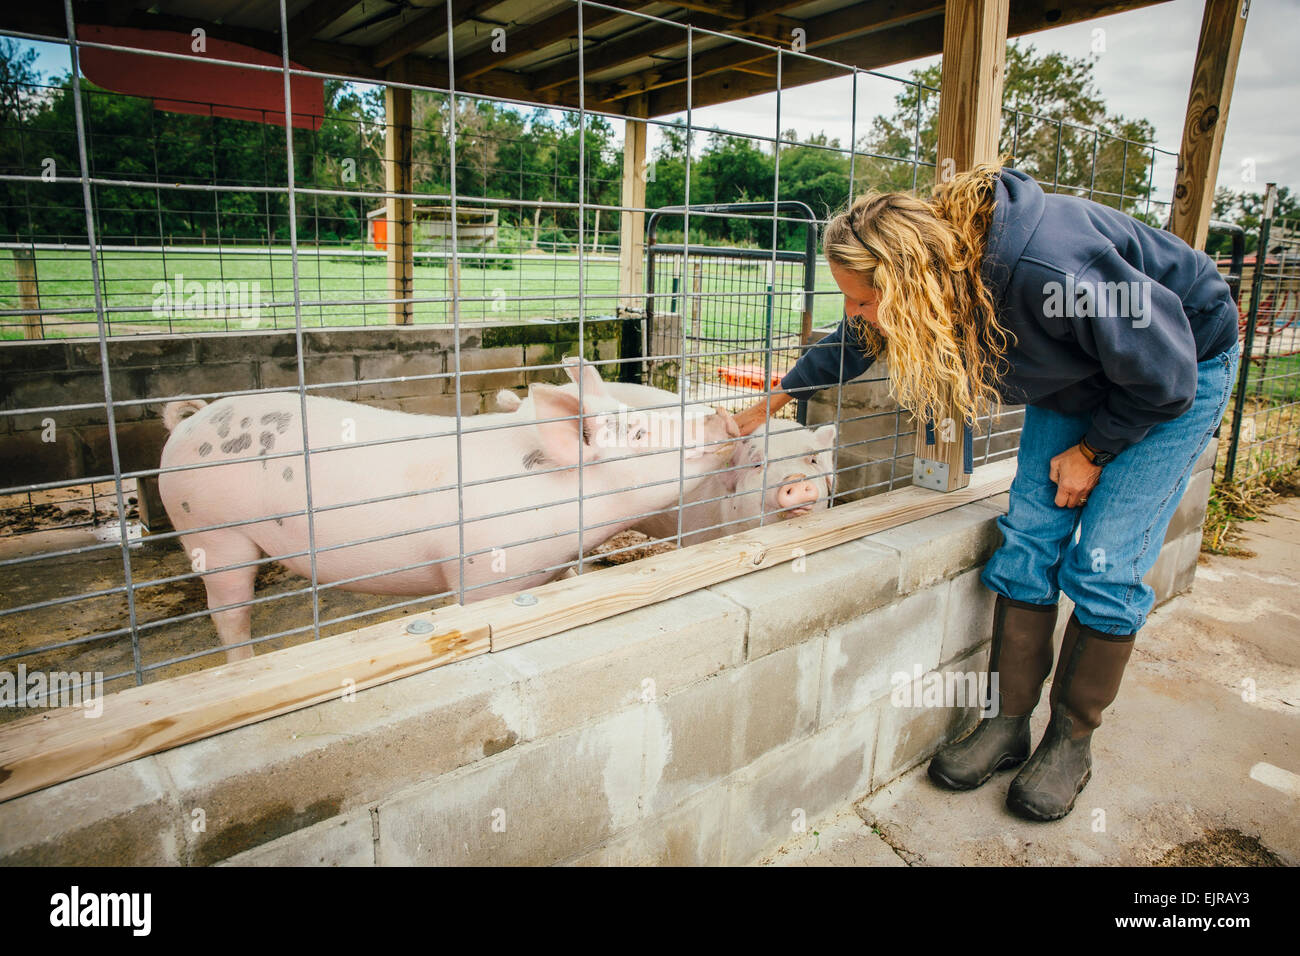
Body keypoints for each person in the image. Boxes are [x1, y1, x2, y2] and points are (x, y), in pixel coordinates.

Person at [733, 164, 1241, 821]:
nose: (855, 314)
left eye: (862, 299)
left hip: (1178, 369)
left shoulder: (1053, 273)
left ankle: (1070, 743)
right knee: (1028, 539)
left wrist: (1093, 452)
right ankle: (1007, 724)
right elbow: (856, 339)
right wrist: (775, 398)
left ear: (906, 281)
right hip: (1083, 371)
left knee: (1106, 562)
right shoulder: (937, 279)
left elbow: (1162, 372)